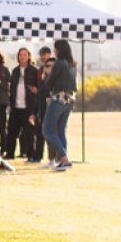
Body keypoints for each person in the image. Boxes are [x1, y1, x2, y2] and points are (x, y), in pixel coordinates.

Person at [42, 39, 78, 171]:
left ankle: (64, 159)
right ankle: (63, 161)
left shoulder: (59, 64)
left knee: (47, 130)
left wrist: (47, 80)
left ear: (59, 50)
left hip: (58, 98)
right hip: (70, 99)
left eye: (55, 49)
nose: (54, 51)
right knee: (61, 130)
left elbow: (49, 82)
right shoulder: (72, 64)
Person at [3, 47, 37, 159]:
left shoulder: (34, 71)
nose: (22, 56)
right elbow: (12, 88)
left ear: (29, 56)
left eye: (24, 54)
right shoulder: (15, 71)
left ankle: (31, 155)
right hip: (16, 106)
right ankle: (10, 153)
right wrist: (10, 103)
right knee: (12, 131)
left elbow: (38, 87)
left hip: (28, 107)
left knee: (29, 133)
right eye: (20, 54)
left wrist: (35, 91)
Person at [30, 58, 57, 168]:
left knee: (53, 136)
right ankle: (51, 160)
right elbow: (38, 99)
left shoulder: (57, 81)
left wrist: (52, 99)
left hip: (52, 112)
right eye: (47, 66)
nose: (48, 68)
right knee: (45, 136)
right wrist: (34, 113)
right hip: (42, 112)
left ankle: (57, 159)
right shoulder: (43, 81)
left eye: (51, 66)